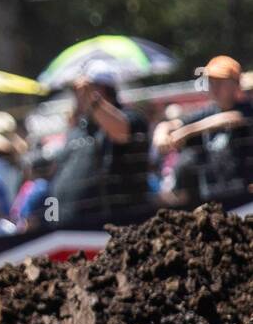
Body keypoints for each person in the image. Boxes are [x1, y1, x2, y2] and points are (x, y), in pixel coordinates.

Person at [47, 61, 150, 222]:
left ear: (103, 89)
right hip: (71, 228)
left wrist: (93, 100)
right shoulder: (79, 128)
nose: (78, 96)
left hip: (119, 224)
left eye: (82, 90)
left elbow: (121, 132)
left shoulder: (132, 118)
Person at [153, 55, 253, 202]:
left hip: (245, 196)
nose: (214, 87)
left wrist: (187, 131)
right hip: (215, 197)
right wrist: (161, 133)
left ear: (236, 84)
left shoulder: (247, 108)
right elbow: (171, 124)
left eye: (220, 82)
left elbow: (232, 118)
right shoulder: (207, 112)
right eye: (211, 82)